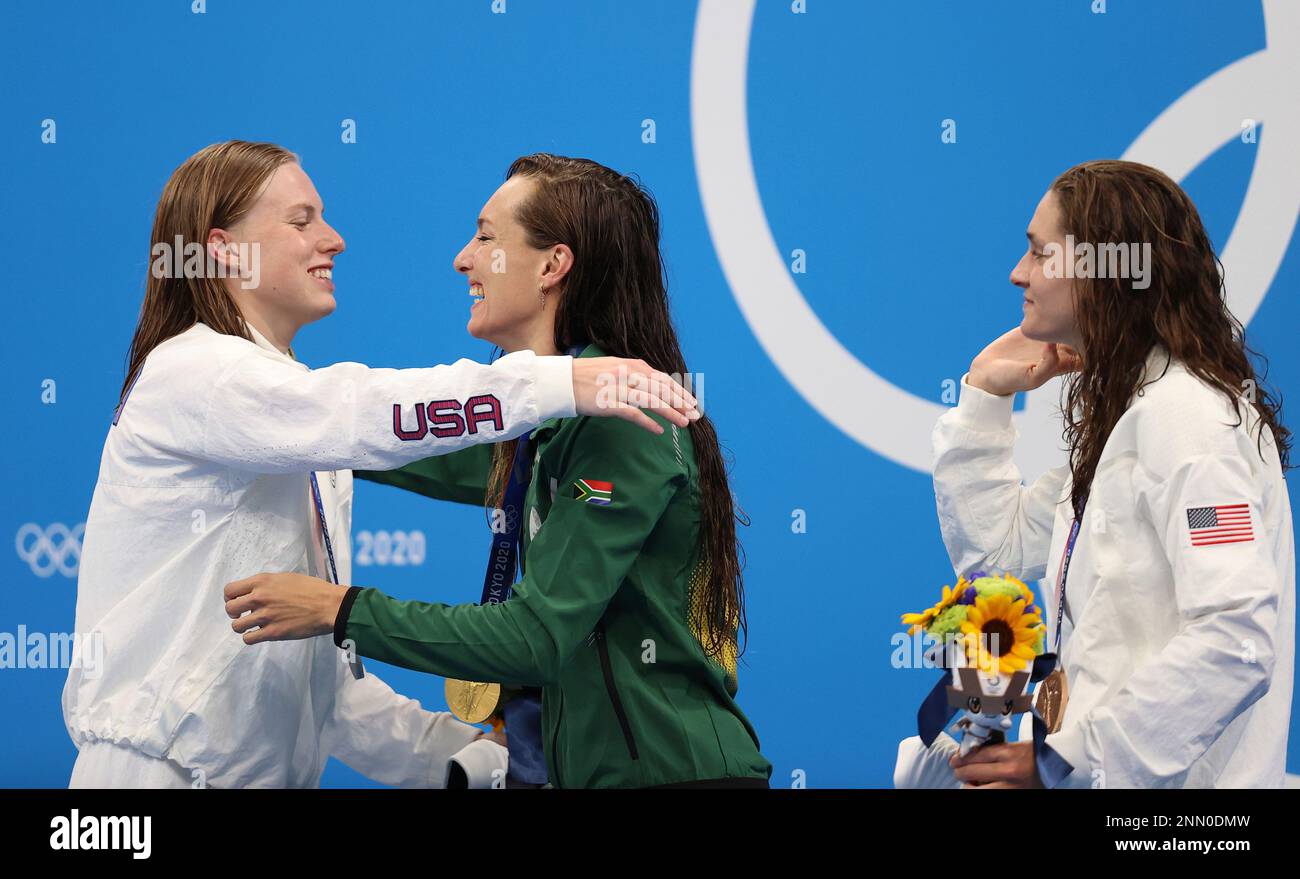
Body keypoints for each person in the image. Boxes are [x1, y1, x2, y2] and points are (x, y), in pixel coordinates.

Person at [63, 141, 701, 789]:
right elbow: (362, 413)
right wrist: (558, 381)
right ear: (225, 248)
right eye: (301, 220)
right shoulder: (194, 373)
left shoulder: (295, 429)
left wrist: (472, 757)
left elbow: (324, 689)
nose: (334, 239)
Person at [223, 153, 773, 789]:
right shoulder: (550, 428)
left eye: (486, 237)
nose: (464, 258)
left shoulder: (622, 422)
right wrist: (257, 404)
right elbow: (384, 438)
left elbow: (533, 638)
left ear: (550, 266)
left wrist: (337, 609)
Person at [898, 159, 1294, 788]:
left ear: (1102, 271)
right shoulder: (1130, 417)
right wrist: (983, 394)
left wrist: (1066, 761)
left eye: (1039, 253)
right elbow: (996, 556)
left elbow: (1236, 636)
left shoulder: (1187, 421)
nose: (1018, 273)